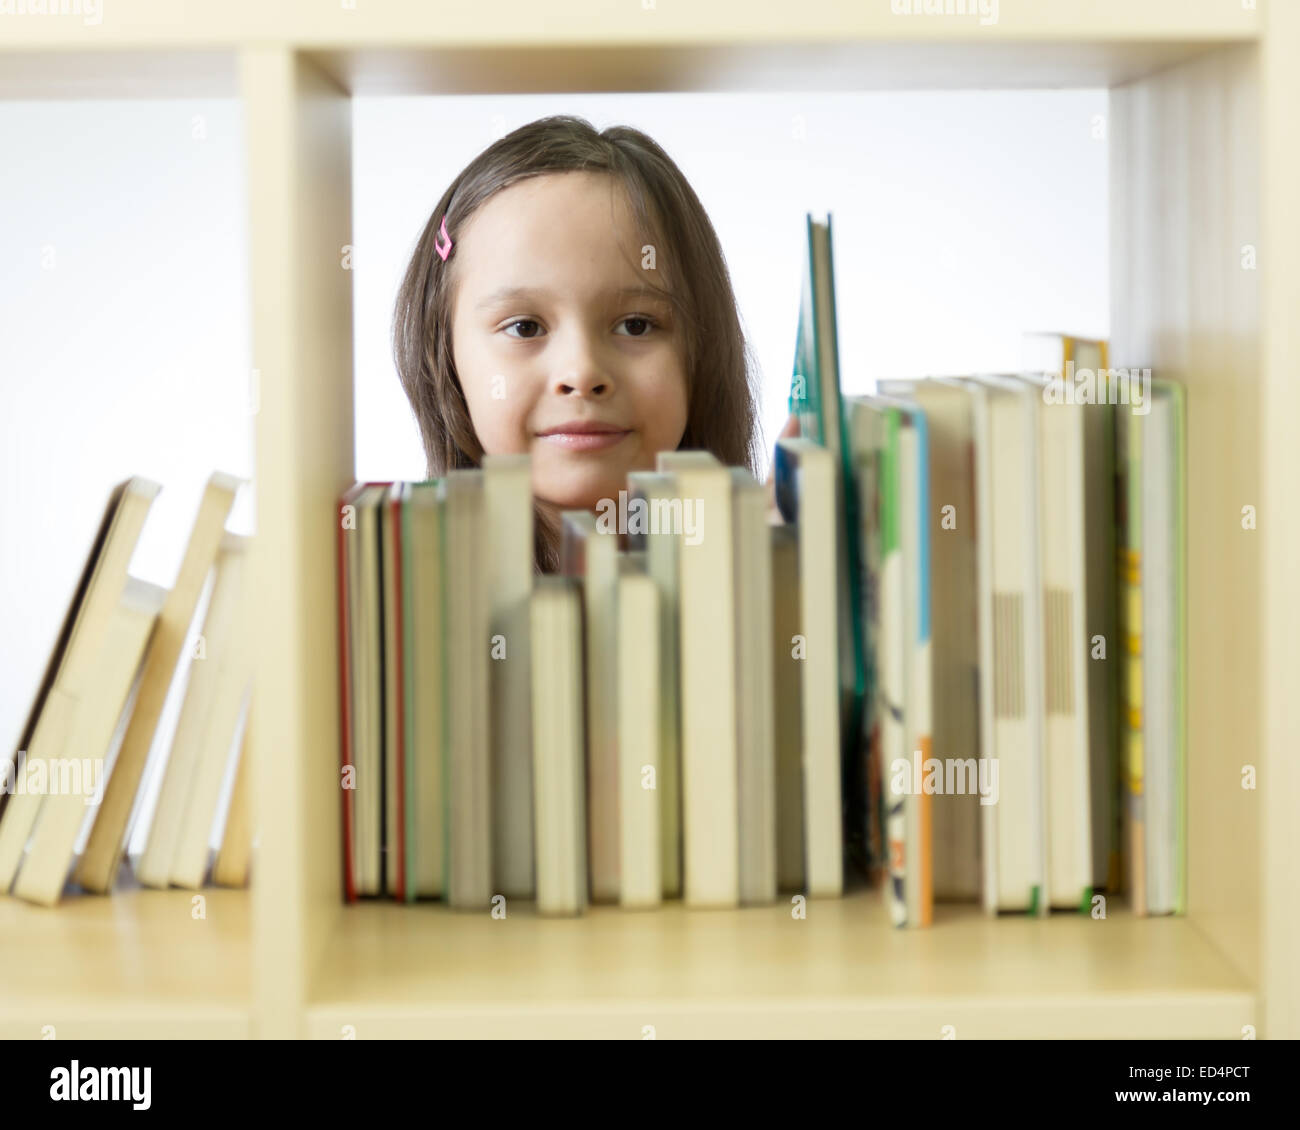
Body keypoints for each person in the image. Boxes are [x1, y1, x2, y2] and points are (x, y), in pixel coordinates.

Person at [393, 114, 779, 572]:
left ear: (702, 350)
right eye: (525, 327)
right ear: (446, 356)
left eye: (636, 325)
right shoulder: (396, 603)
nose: (581, 373)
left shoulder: (772, 586)